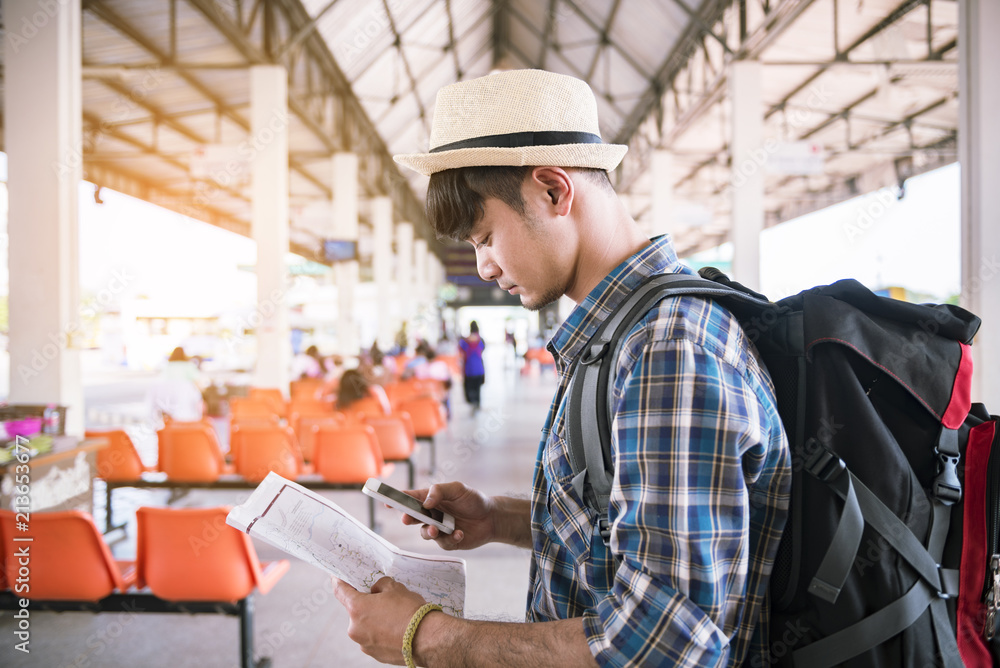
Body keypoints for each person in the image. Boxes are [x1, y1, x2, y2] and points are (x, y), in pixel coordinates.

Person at [333, 69, 791, 667]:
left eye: (486, 236)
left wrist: (428, 636)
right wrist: (498, 519)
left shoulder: (667, 349)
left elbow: (670, 645)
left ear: (553, 190)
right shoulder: (620, 334)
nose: (485, 268)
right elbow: (621, 527)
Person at [146, 346, 205, 423]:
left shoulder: (166, 366)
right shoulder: (189, 366)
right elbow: (197, 382)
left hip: (165, 396)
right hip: (184, 396)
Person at [457, 321, 485, 412]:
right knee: (477, 388)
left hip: (469, 369)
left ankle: (472, 402)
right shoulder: (480, 340)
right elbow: (483, 349)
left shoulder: (464, 341)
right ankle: (477, 403)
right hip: (479, 368)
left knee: (469, 387)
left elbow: (460, 350)